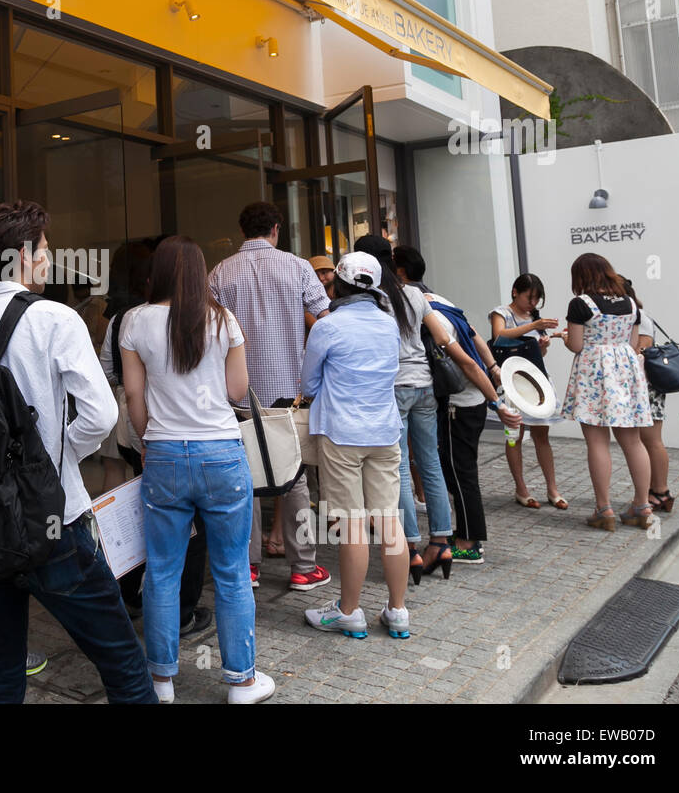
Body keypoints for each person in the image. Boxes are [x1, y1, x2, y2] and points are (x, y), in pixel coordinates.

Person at [0, 200, 155, 704]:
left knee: (2, 672)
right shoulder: (54, 318)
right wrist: (51, 460)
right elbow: (99, 415)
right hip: (56, 520)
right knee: (121, 660)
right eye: (46, 250)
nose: (50, 260)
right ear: (24, 255)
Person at [120, 236, 275, 703]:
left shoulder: (134, 321)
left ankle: (161, 681)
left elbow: (133, 398)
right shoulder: (223, 320)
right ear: (201, 273)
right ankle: (242, 681)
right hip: (221, 455)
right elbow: (235, 391)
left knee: (163, 570)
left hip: (165, 455)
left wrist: (149, 440)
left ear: (159, 273)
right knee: (230, 571)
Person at [355, 235, 518, 582]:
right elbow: (448, 343)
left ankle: (411, 548)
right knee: (430, 463)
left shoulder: (370, 300)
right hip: (426, 388)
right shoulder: (415, 295)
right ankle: (441, 542)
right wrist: (494, 394)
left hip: (394, 390)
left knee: (399, 468)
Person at [208, 202, 332, 594]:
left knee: (242, 478)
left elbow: (210, 335)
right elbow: (327, 321)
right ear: (276, 229)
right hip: (288, 394)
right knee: (293, 477)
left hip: (237, 392)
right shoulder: (298, 267)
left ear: (242, 230)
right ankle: (304, 567)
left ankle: (248, 568)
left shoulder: (220, 273)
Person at [300, 252, 409, 639]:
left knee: (351, 526)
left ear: (339, 284)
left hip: (341, 433)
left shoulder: (328, 328)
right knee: (389, 521)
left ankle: (348, 611)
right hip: (384, 431)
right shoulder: (388, 325)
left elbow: (308, 385)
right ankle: (397, 610)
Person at [397, 247, 512, 565]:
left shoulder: (421, 310)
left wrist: (497, 402)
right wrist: (493, 367)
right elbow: (475, 336)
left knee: (460, 473)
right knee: (453, 469)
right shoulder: (439, 299)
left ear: (401, 274)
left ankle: (468, 542)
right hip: (468, 399)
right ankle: (461, 537)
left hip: (459, 403)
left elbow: (466, 363)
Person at [560, 254, 654, 531]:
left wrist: (566, 338)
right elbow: (634, 342)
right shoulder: (630, 302)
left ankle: (604, 509)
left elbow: (577, 345)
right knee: (633, 442)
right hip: (625, 372)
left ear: (581, 276)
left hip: (594, 373)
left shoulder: (581, 304)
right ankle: (642, 506)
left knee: (597, 442)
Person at [488, 274, 565, 509]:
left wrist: (542, 346)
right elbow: (498, 336)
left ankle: (552, 488)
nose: (532, 303)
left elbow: (537, 356)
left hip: (536, 380)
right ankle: (521, 488)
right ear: (515, 292)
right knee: (515, 436)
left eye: (536, 299)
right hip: (512, 382)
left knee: (542, 436)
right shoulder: (501, 313)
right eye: (529, 297)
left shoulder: (534, 317)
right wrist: (533, 326)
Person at [624, 278, 674, 514]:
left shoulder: (639, 316)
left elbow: (642, 348)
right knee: (649, 440)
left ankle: (660, 492)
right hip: (646, 385)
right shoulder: (638, 314)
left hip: (647, 385)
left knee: (651, 440)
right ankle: (658, 492)